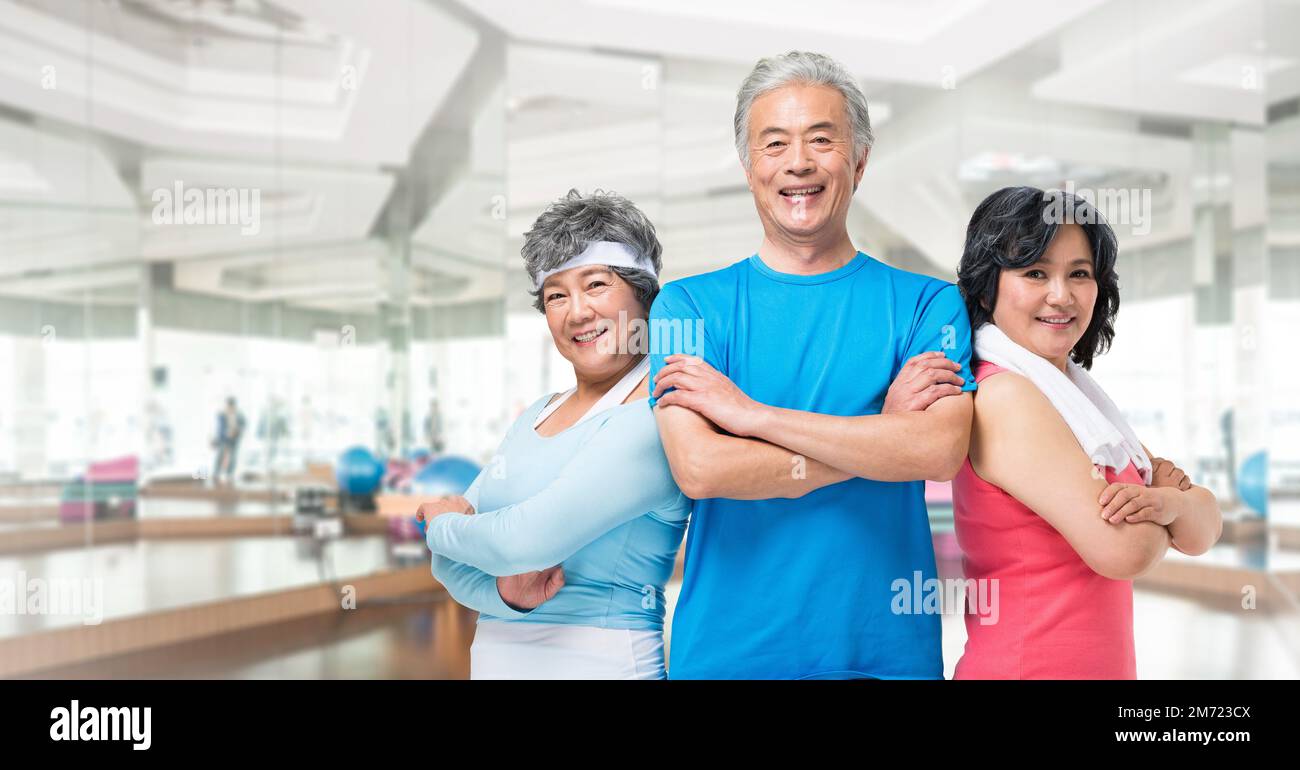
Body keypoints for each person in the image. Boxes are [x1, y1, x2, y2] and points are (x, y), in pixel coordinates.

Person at [647, 51, 974, 679]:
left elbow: (935, 452)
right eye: (774, 144)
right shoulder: (686, 306)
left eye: (822, 140)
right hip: (728, 655)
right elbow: (702, 467)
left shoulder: (928, 303)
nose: (798, 162)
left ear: (859, 161)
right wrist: (882, 430)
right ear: (749, 168)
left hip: (885, 655)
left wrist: (749, 416)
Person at [952, 186, 1222, 679]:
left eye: (1079, 273)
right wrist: (1169, 506)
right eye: (1035, 273)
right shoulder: (1006, 397)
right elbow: (1123, 550)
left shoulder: (1077, 399)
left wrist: (1176, 506)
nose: (1062, 295)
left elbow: (1204, 531)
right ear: (988, 288)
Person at [419, 189, 689, 679]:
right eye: (556, 296)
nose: (578, 312)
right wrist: (504, 594)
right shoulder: (537, 416)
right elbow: (449, 567)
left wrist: (441, 524)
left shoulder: (658, 411)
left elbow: (525, 540)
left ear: (643, 294)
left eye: (596, 285)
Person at [211, 397, 245, 485]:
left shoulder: (239, 415)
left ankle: (229, 474)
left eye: (232, 406)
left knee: (233, 457)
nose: (230, 408)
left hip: (234, 439)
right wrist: (227, 433)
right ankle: (216, 473)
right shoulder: (222, 415)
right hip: (223, 439)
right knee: (220, 455)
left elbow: (243, 425)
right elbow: (220, 429)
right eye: (229, 406)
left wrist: (237, 431)